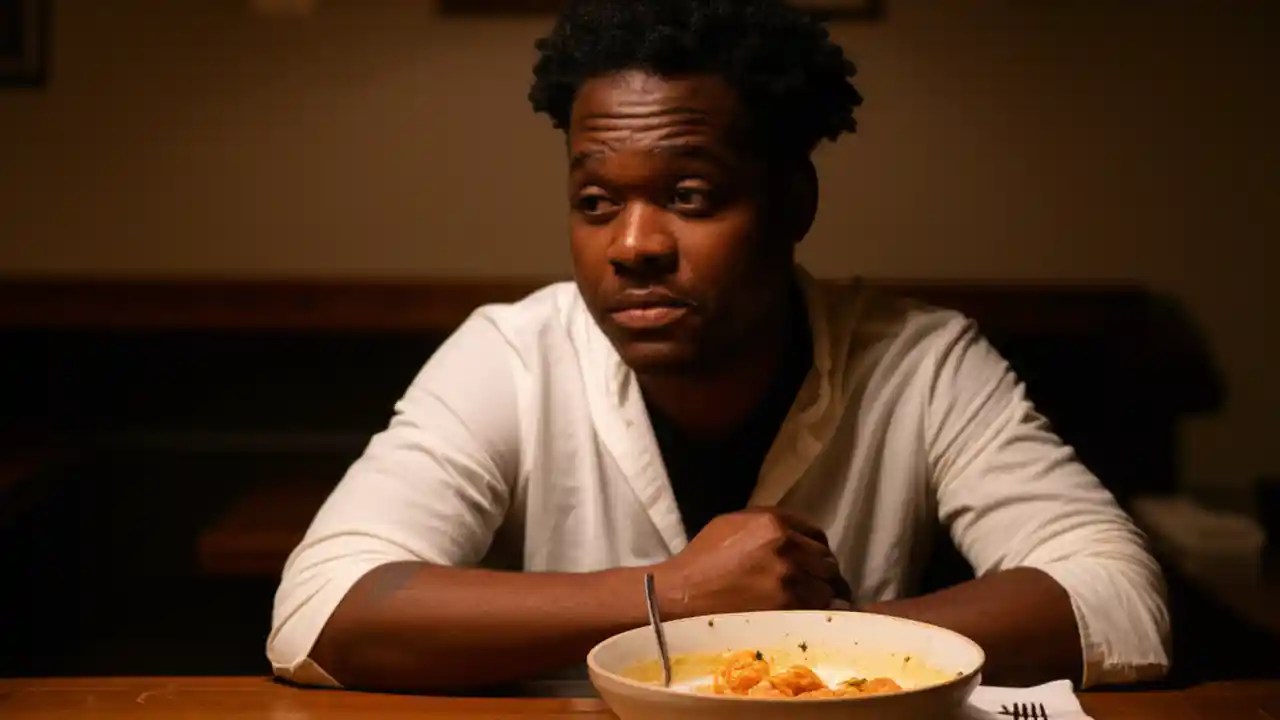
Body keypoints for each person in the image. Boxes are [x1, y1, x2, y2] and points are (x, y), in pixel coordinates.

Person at [267, 0, 1170, 694]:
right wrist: (672, 595)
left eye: (690, 195)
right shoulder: (513, 353)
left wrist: (817, 650)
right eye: (596, 203)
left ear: (794, 203)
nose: (632, 245)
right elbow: (321, 608)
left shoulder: (920, 360)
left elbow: (1117, 594)